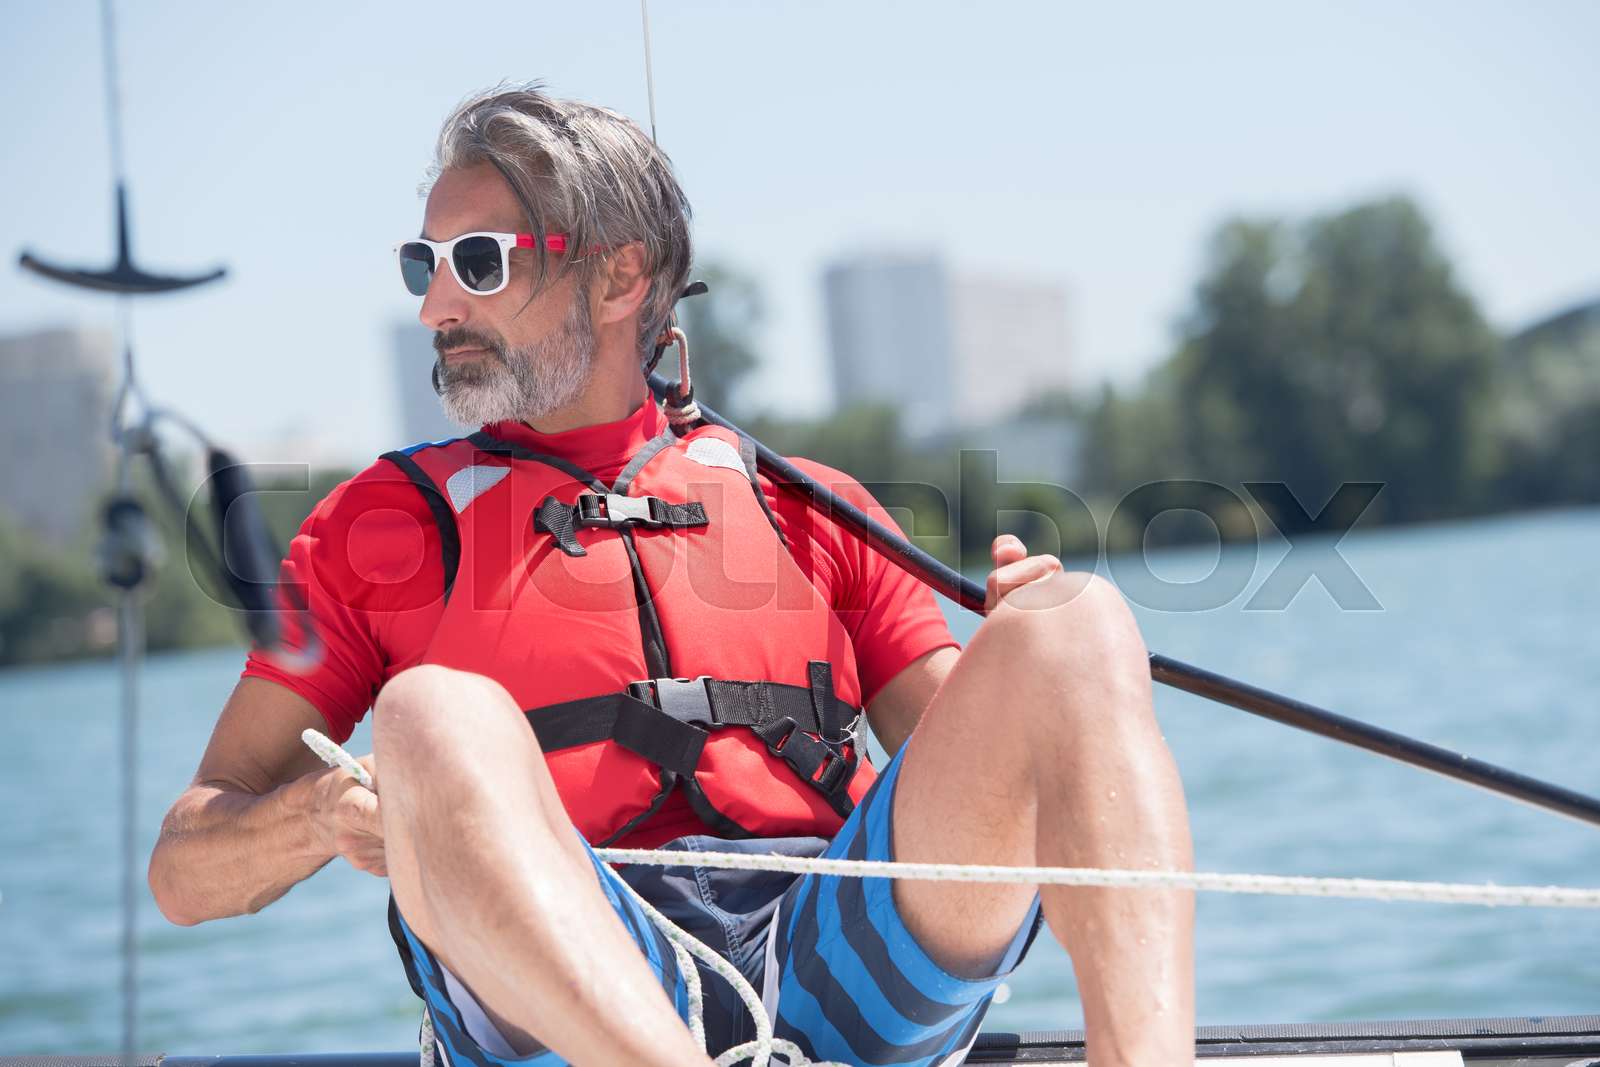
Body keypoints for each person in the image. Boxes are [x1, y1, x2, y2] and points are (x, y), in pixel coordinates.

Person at [148, 84, 1195, 1067]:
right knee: (426, 715)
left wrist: (1035, 694)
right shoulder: (373, 528)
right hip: (564, 988)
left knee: (1075, 621)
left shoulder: (809, 506)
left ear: (617, 275)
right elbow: (182, 870)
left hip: (840, 959)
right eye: (423, 265)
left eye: (477, 261)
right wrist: (320, 808)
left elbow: (994, 817)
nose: (436, 307)